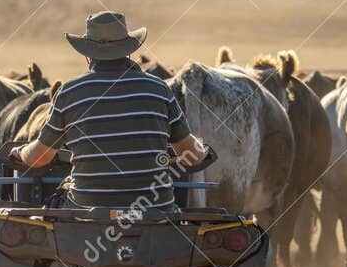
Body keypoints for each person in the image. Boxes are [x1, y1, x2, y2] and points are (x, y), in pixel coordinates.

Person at [13, 11, 207, 212]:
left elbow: (39, 158)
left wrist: (20, 151)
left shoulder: (70, 92)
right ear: (129, 50)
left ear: (88, 54)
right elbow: (189, 153)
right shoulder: (159, 90)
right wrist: (201, 149)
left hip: (86, 212)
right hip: (155, 212)